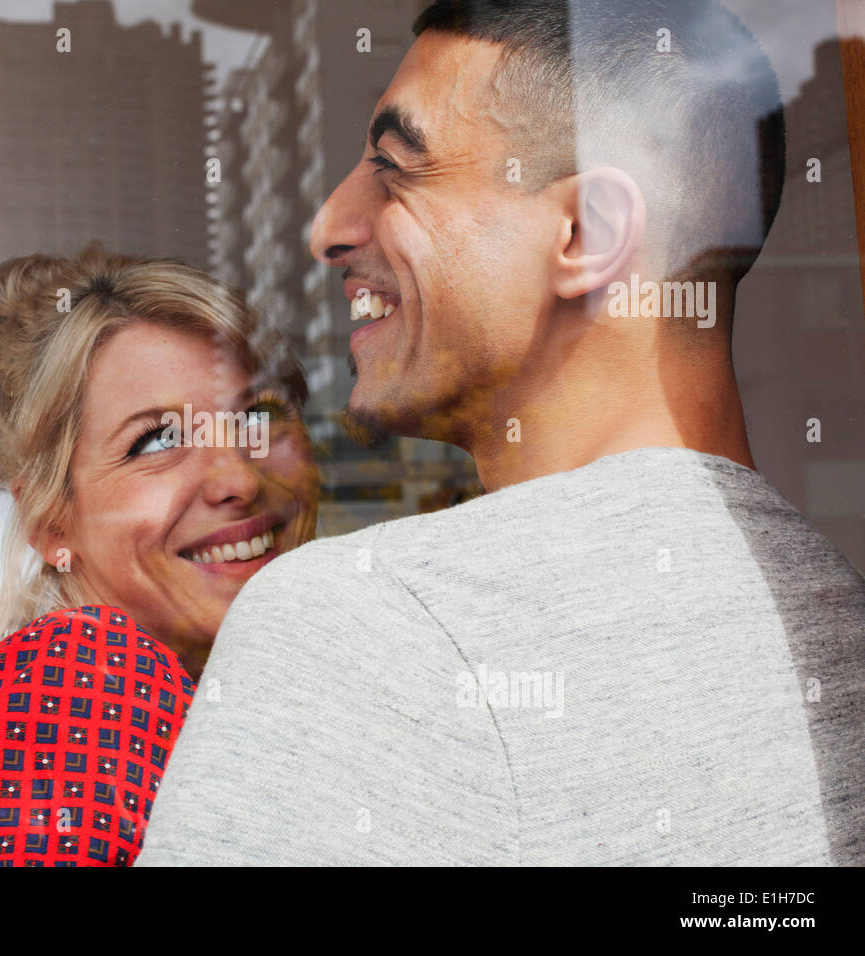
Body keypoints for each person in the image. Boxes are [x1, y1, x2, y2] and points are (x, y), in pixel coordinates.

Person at [135, 0, 865, 865]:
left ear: (587, 234)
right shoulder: (838, 615)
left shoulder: (369, 626)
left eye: (395, 169)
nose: (331, 225)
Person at [0, 242, 319, 865]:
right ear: (50, 521)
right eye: (157, 441)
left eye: (258, 415)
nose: (241, 479)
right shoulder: (76, 690)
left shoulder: (244, 689)